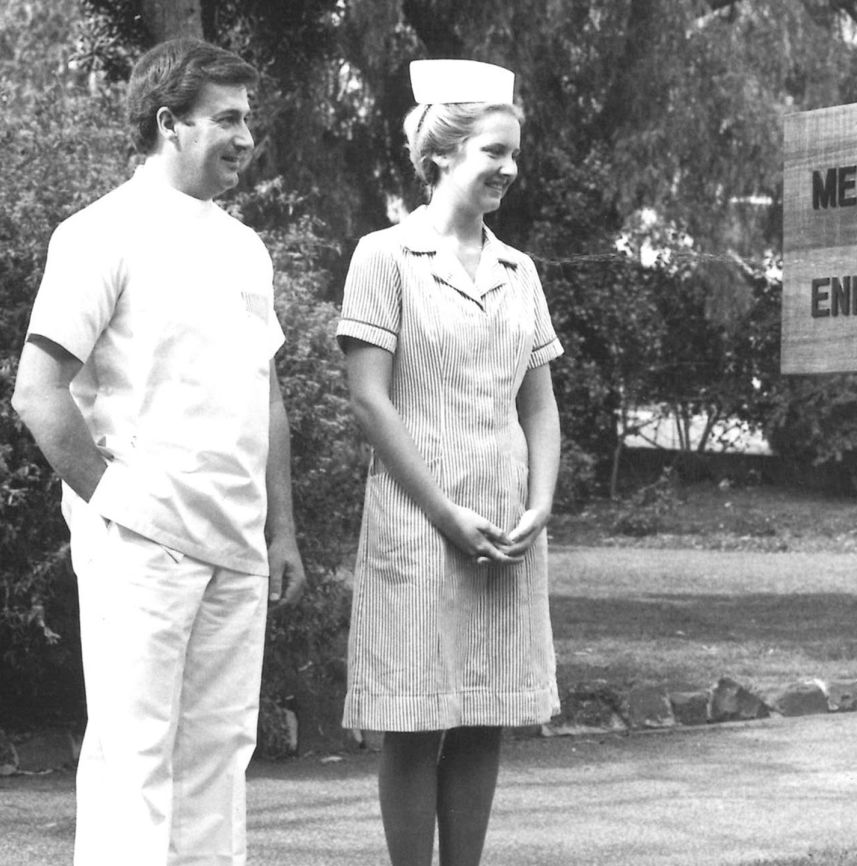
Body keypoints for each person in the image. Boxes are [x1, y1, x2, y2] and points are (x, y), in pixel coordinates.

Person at [11, 37, 305, 866]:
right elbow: (39, 391)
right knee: (134, 767)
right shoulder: (100, 233)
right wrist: (120, 505)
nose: (247, 138)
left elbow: (266, 393)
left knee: (217, 764)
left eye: (249, 119)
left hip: (236, 544)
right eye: (228, 119)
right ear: (169, 123)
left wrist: (280, 530)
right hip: (143, 542)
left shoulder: (244, 246)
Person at [337, 58, 562, 866]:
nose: (507, 169)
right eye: (491, 152)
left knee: (482, 717)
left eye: (512, 154)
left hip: (504, 522)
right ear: (440, 154)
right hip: (417, 518)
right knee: (412, 719)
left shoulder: (519, 270)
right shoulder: (384, 257)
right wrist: (441, 512)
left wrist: (539, 503)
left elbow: (536, 404)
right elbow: (371, 401)